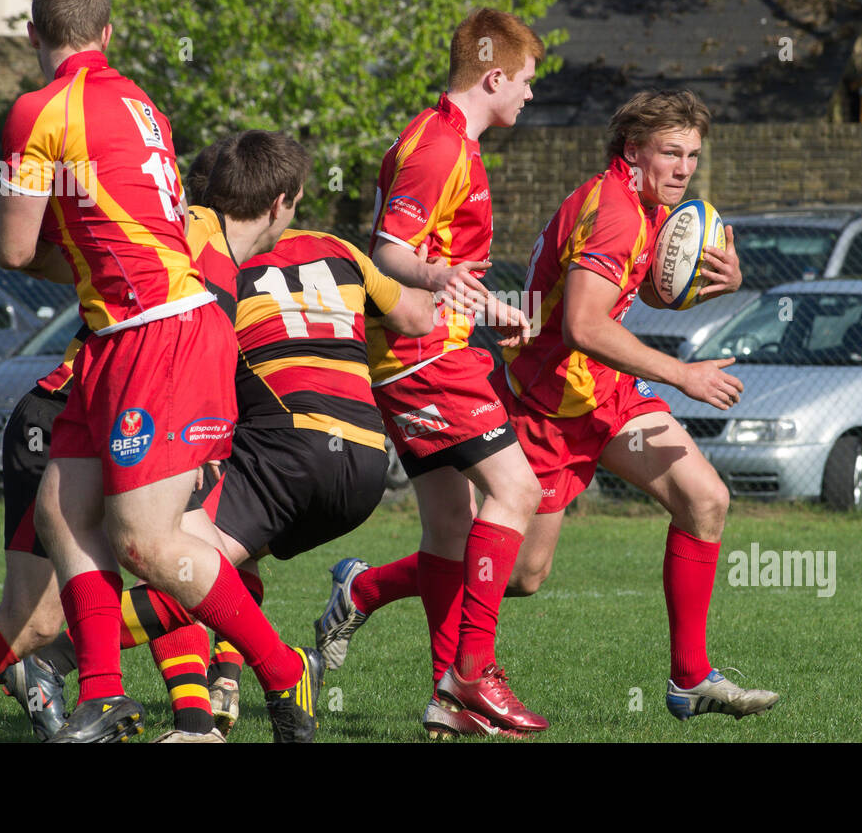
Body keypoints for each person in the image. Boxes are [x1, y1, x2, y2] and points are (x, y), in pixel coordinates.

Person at [321, 90, 779, 726]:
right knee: (521, 576)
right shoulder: (618, 209)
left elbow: (636, 286)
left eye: (693, 155)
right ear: (633, 149)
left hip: (607, 395)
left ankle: (691, 677)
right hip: (550, 403)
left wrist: (711, 288)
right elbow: (587, 324)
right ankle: (365, 589)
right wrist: (682, 374)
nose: (684, 167)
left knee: (705, 499)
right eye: (671, 152)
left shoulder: (643, 205)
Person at [0, 0, 313, 744]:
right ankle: (103, 694)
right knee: (65, 512)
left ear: (33, 35)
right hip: (130, 330)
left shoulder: (36, 112)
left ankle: (281, 667)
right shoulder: (145, 104)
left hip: (153, 330)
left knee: (146, 541)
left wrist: (59, 256)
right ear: (108, 35)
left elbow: (13, 247)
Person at [31, 131, 436, 743]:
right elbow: (417, 316)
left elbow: (196, 356)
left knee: (175, 555)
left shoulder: (215, 262)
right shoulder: (339, 250)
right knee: (211, 568)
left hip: (285, 449)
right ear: (280, 203)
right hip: (363, 466)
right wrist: (451, 284)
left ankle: (90, 674)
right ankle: (215, 690)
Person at [316, 8, 547, 738]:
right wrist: (443, 273)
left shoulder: (452, 143)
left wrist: (487, 308)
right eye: (529, 81)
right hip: (422, 360)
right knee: (519, 490)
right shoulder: (440, 147)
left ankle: (449, 698)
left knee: (452, 529)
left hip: (433, 349)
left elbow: (433, 262)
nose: (531, 96)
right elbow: (388, 253)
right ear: (495, 75)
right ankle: (473, 670)